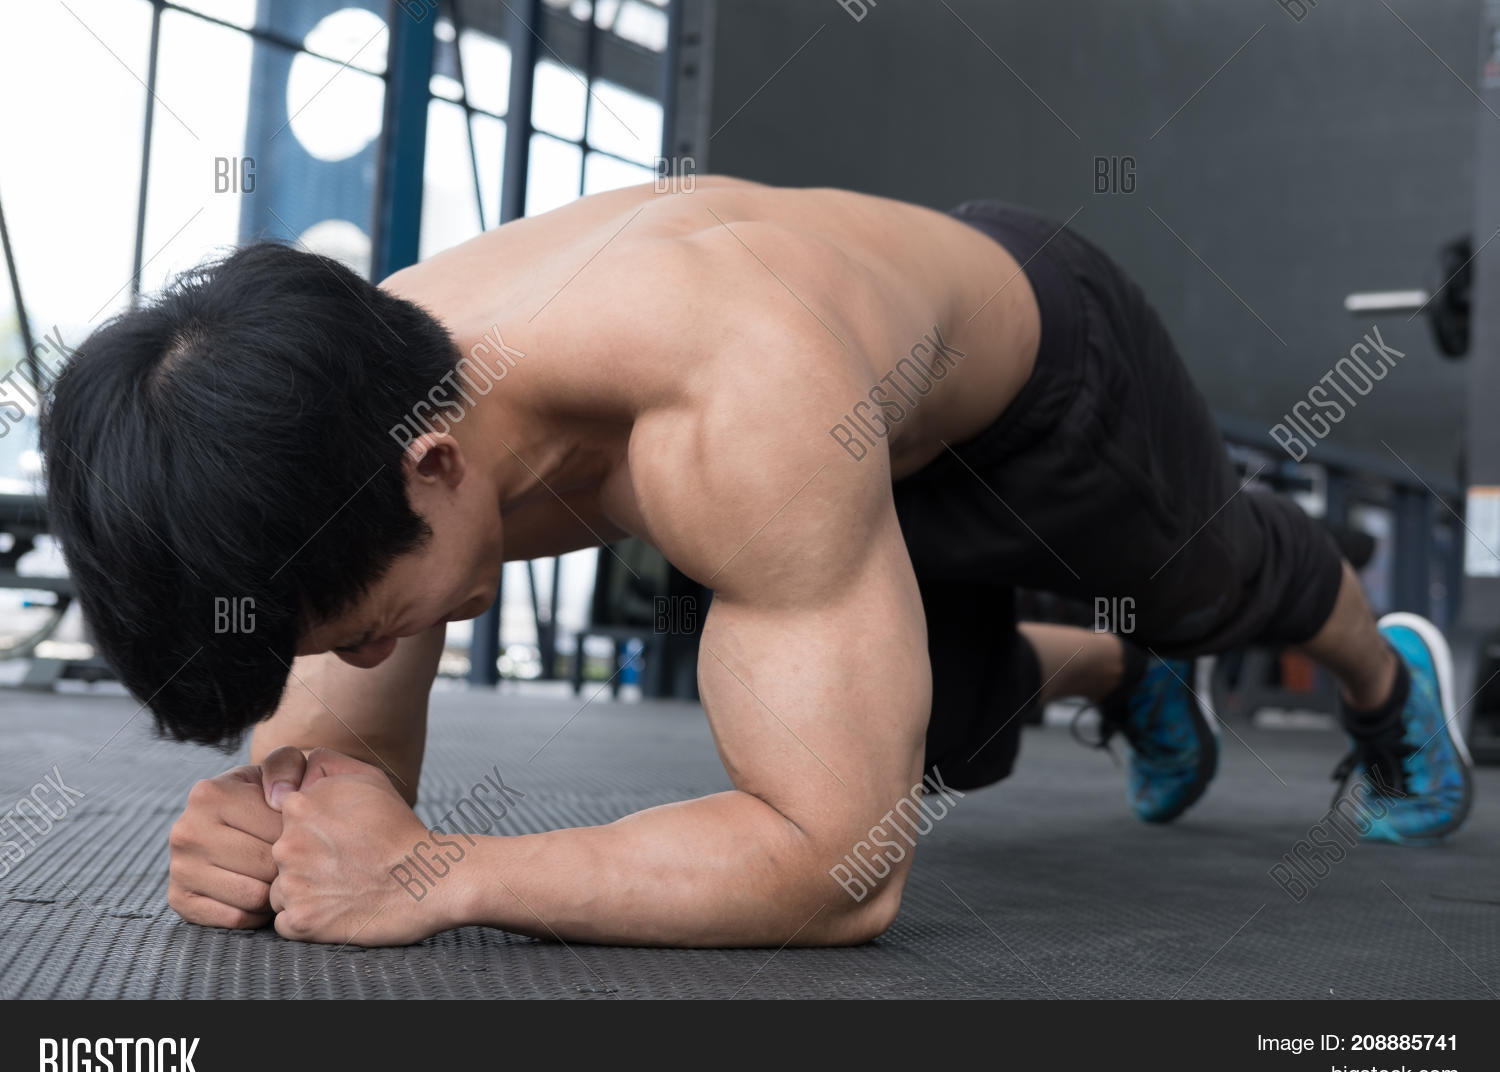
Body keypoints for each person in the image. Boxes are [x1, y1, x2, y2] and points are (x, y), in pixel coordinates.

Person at [39, 176, 1471, 948]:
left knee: (1214, 587)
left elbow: (839, 871)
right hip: (826, 470)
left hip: (1033, 380)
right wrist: (270, 830)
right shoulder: (352, 414)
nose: (366, 660)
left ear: (437, 464)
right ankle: (1118, 674)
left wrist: (439, 874)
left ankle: (1386, 680)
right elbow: (342, 771)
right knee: (937, 736)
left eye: (367, 630)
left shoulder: (723, 391)